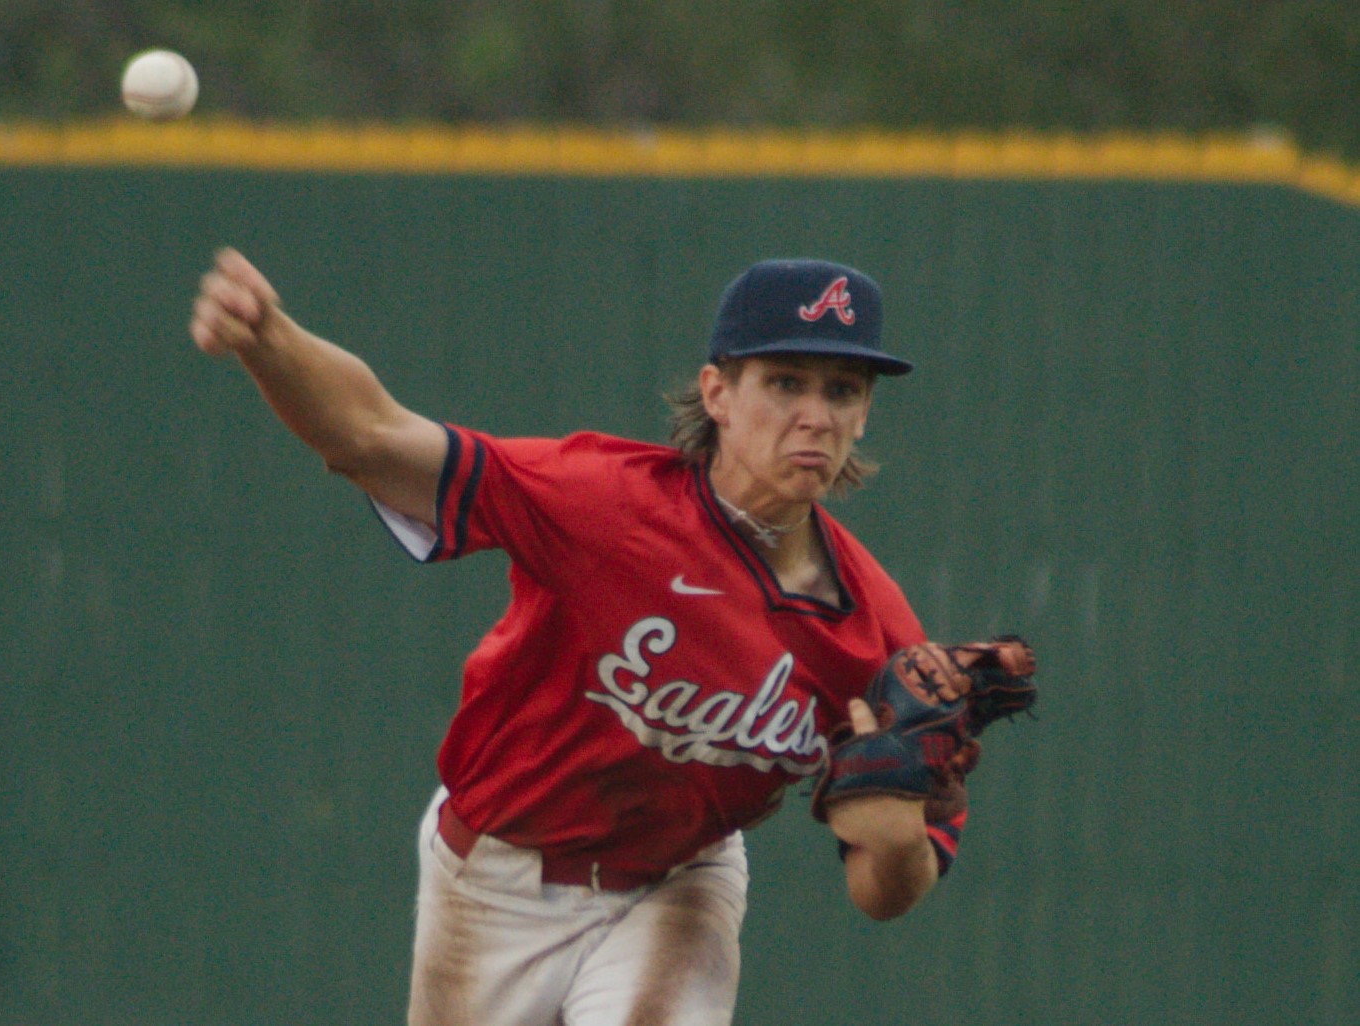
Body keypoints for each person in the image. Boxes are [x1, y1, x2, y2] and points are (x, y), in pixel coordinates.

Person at [190, 251, 966, 1026]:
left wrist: (898, 847)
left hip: (679, 883)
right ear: (717, 393)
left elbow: (887, 890)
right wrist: (269, 340)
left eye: (842, 390)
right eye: (786, 382)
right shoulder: (606, 505)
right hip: (496, 875)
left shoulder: (878, 635)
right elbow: (372, 435)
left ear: (864, 413)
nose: (816, 415)